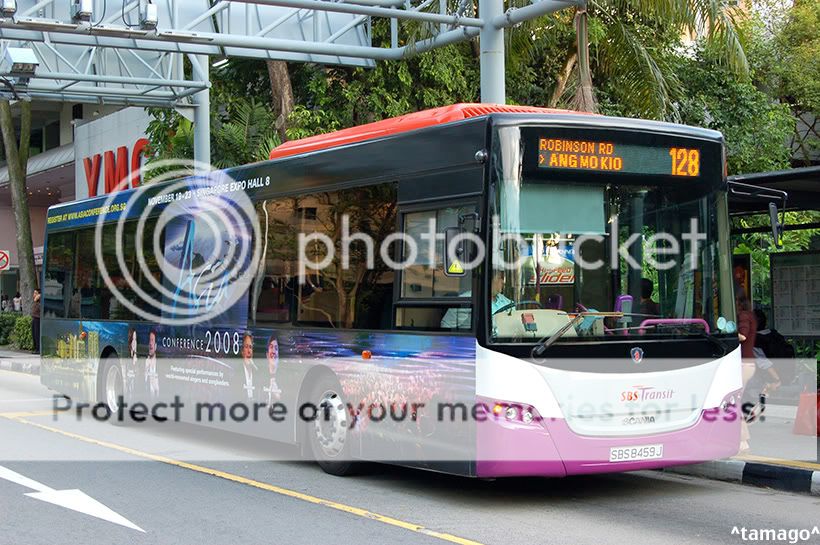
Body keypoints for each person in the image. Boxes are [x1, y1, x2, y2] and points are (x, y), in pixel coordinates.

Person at [440, 271, 513, 329]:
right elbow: (447, 327)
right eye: (501, 277)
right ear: (489, 279)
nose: (503, 282)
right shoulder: (467, 299)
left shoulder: (506, 301)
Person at [735, 291, 756, 453]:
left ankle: (743, 441)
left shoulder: (743, 316)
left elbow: (742, 336)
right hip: (748, 363)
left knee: (735, 401)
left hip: (744, 364)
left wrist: (726, 334)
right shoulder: (750, 315)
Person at [265, 335, 282, 405]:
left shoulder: (284, 378)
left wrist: (278, 397)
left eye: (276, 348)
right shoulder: (261, 377)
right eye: (271, 347)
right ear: (267, 354)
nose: (274, 351)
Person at [31, 289, 41, 354]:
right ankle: (36, 348)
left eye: (35, 293)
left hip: (38, 319)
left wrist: (36, 300)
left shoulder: (40, 302)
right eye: (34, 293)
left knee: (37, 334)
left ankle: (38, 349)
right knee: (34, 334)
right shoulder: (35, 302)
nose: (34, 295)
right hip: (34, 318)